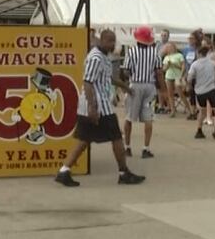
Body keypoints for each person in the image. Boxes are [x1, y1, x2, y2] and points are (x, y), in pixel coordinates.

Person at [55, 30, 145, 187]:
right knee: (116, 137)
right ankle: (123, 173)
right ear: (101, 40)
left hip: (96, 104)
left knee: (83, 140)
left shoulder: (104, 57)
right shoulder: (96, 57)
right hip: (98, 105)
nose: (112, 44)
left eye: (114, 41)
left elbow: (107, 78)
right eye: (109, 41)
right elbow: (88, 82)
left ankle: (64, 171)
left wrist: (125, 87)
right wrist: (92, 107)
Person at [122, 26, 163, 159]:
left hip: (135, 85)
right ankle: (146, 148)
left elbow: (126, 70)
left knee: (129, 117)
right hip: (149, 86)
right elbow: (158, 72)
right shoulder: (154, 53)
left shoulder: (132, 52)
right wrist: (162, 88)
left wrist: (126, 83)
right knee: (148, 117)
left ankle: (127, 147)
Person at [188, 45, 215, 140]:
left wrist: (190, 85)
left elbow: (189, 77)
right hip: (211, 89)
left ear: (199, 53)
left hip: (200, 90)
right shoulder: (212, 63)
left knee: (202, 111)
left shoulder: (195, 64)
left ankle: (199, 130)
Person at [161, 42, 186, 117]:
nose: (169, 49)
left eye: (170, 47)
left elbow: (183, 66)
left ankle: (188, 108)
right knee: (170, 94)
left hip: (177, 75)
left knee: (180, 93)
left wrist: (181, 75)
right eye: (167, 47)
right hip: (169, 75)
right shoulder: (166, 57)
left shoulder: (179, 55)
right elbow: (164, 69)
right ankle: (172, 110)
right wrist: (167, 66)